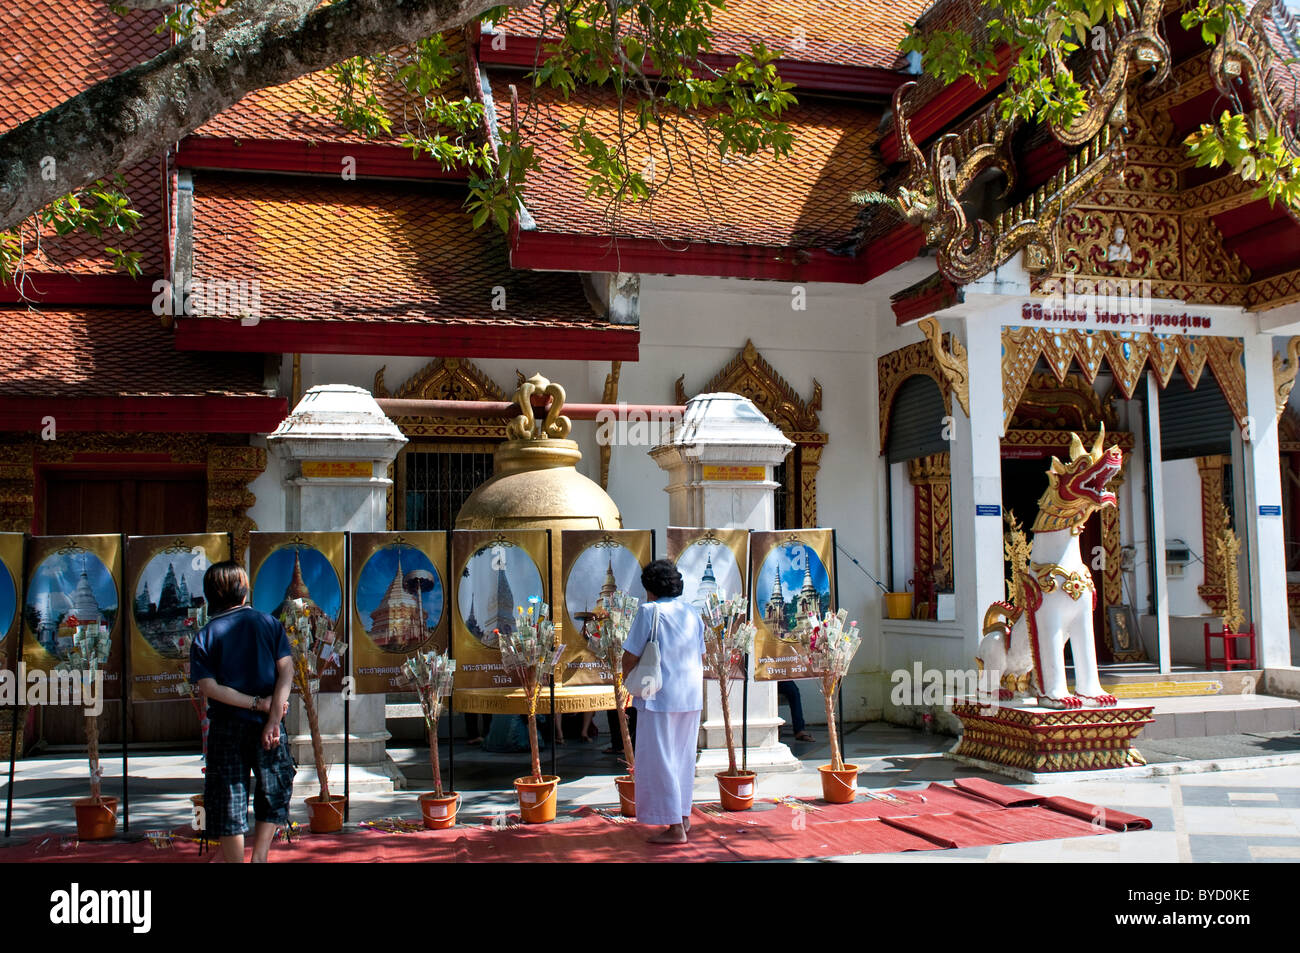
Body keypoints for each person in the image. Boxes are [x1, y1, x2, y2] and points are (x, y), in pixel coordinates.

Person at [189, 560, 295, 863]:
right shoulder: (269, 624)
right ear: (243, 590)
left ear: (212, 594)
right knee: (272, 788)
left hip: (227, 727)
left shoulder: (206, 635)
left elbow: (208, 687)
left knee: (228, 796)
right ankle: (259, 857)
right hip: (268, 723)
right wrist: (272, 717)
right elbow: (286, 673)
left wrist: (260, 707)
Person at [621, 559, 705, 845]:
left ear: (650, 588)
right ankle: (682, 816)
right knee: (682, 759)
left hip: (659, 694)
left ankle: (675, 827)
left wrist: (626, 679)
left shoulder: (649, 611)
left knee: (659, 761)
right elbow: (700, 653)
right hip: (690, 695)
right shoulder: (692, 612)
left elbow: (630, 655)